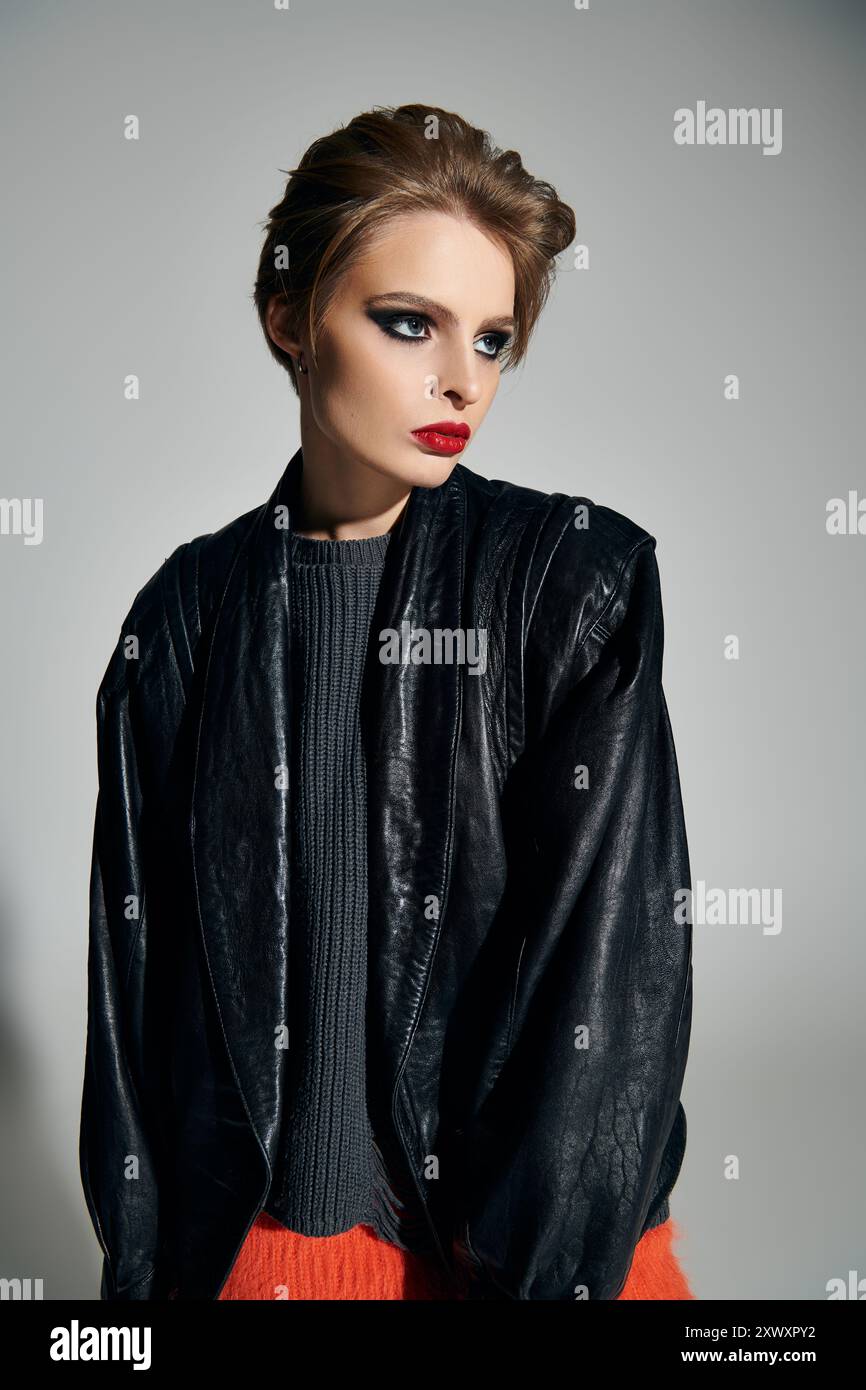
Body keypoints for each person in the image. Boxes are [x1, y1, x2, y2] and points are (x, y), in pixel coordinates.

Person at [79, 103, 694, 1301]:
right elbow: (130, 1002)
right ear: (289, 320)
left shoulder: (575, 584)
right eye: (408, 322)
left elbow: (609, 1006)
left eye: (494, 338)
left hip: (542, 1264)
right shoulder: (184, 615)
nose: (459, 377)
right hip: (266, 1263)